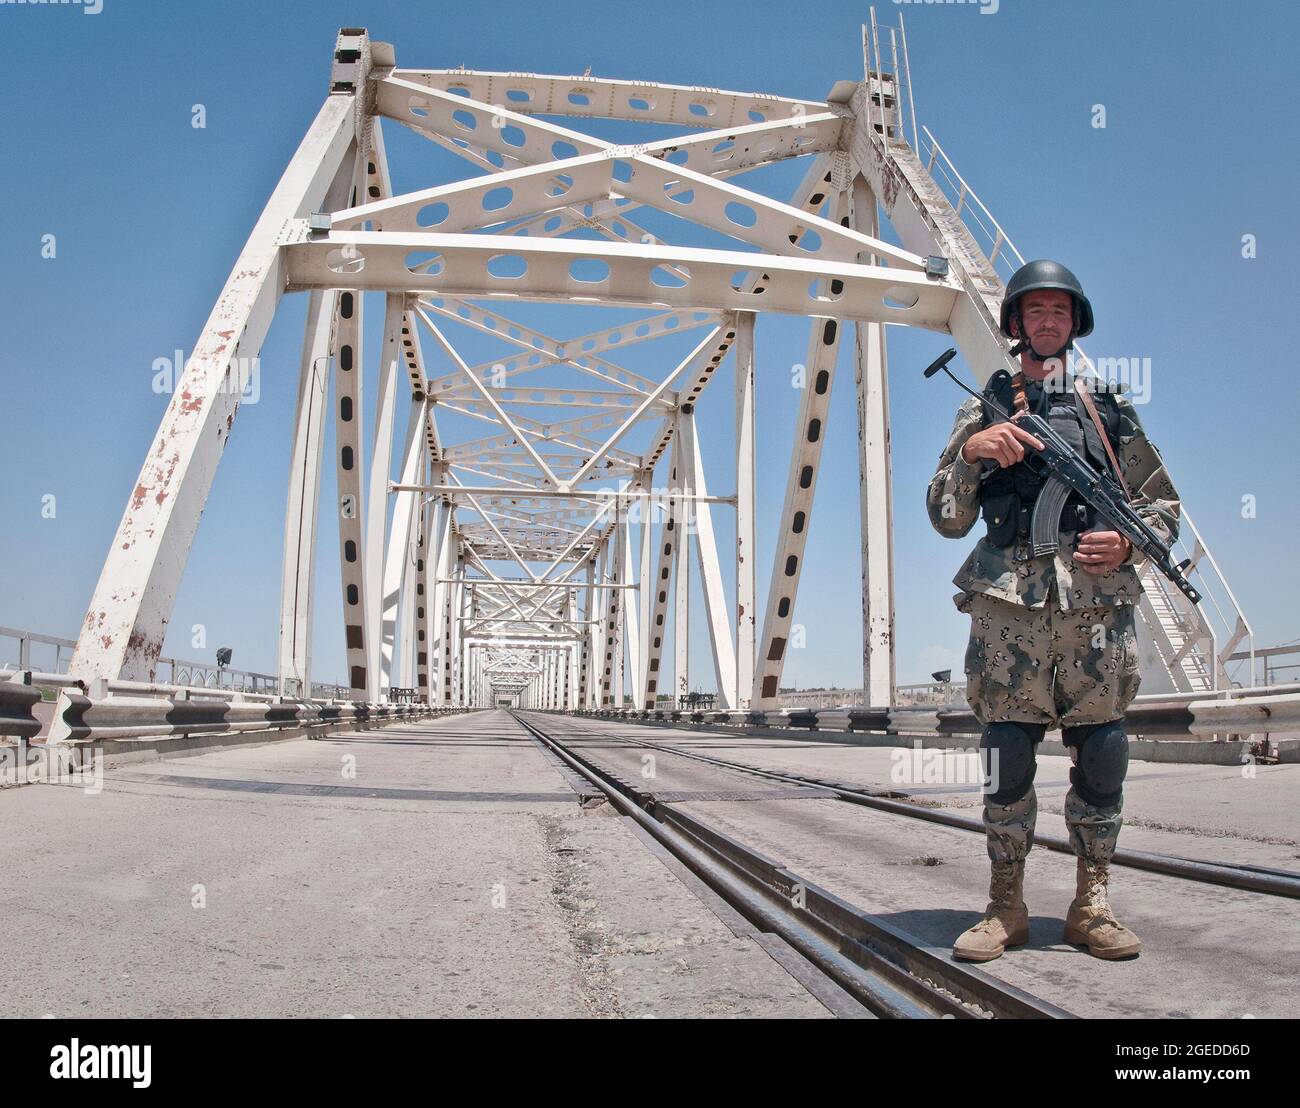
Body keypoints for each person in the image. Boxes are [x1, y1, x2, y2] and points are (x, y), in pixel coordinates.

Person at [926, 259, 1180, 961]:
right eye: (1035, 311)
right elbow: (946, 516)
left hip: (1096, 612)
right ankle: (1005, 904)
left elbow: (1163, 506)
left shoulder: (1110, 410)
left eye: (1059, 312)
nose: (1048, 321)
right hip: (1009, 609)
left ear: (1075, 324)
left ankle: (1090, 905)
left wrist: (1129, 542)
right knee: (1007, 755)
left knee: (1102, 755)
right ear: (1015, 324)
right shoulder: (981, 410)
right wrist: (974, 455)